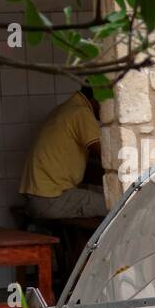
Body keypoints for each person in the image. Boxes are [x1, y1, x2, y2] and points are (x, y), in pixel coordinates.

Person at [19, 86, 105, 220]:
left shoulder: (64, 108)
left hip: (37, 198)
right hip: (51, 198)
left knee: (103, 195)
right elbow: (104, 153)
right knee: (115, 205)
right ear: (96, 99)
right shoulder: (81, 113)